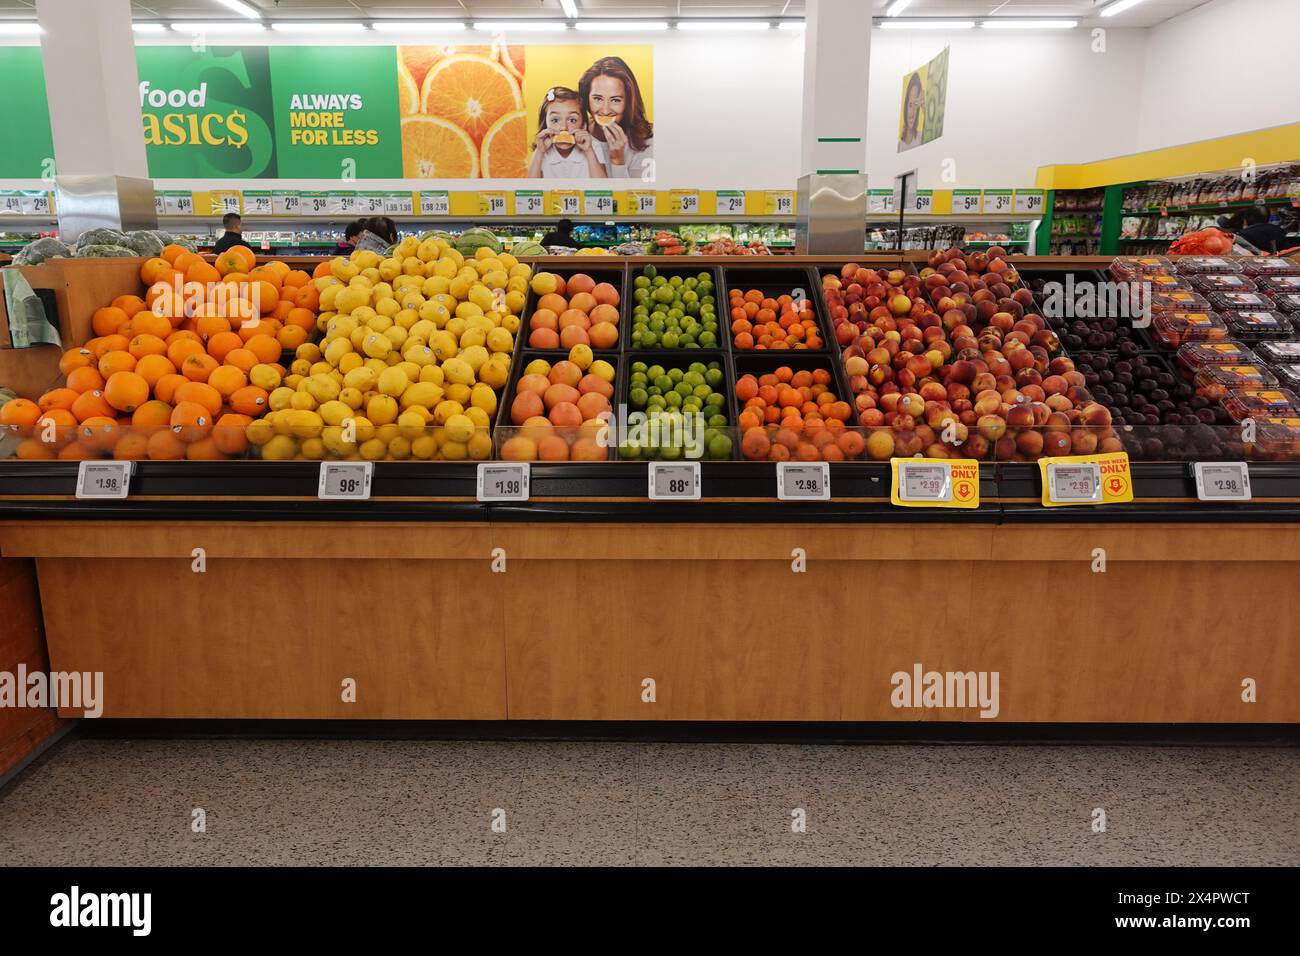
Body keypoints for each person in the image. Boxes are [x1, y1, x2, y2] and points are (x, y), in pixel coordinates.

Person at [579, 57, 654, 180]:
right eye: (597, 99)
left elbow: (640, 196)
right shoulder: (577, 137)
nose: (605, 110)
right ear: (587, 99)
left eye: (615, 100)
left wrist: (618, 161)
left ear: (629, 102)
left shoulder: (647, 139)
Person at [527, 86, 606, 178]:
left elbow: (602, 187)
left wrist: (589, 151)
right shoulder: (541, 150)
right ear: (546, 125)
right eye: (555, 120)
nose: (564, 127)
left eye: (572, 120)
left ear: (583, 126)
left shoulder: (593, 147)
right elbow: (531, 189)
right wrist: (539, 152)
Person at [899, 72, 924, 151]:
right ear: (905, 106)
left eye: (915, 105)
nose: (912, 113)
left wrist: (924, 107)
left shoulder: (922, 138)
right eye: (910, 105)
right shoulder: (899, 145)